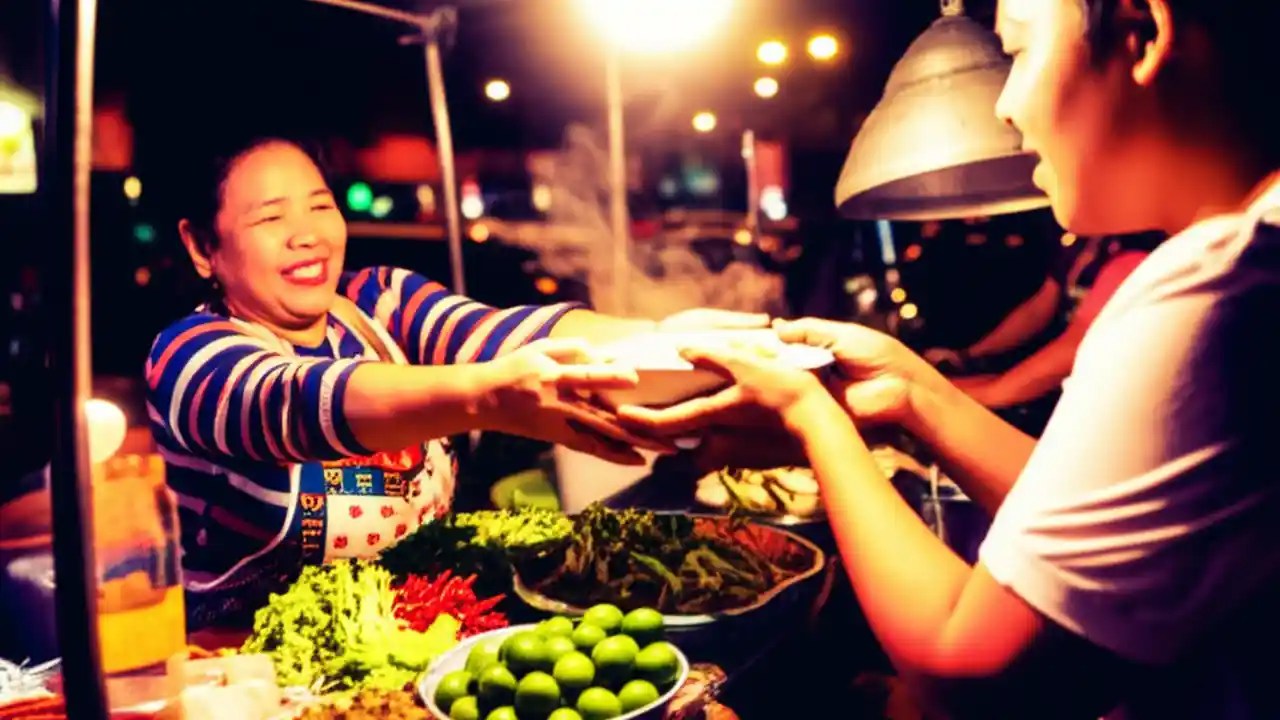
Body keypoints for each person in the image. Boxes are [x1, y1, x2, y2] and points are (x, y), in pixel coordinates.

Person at [621, 0, 1280, 716]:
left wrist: (810, 413)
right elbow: (1100, 524)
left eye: (1020, 53)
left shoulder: (1224, 279)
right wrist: (913, 396)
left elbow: (967, 674)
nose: (1002, 106)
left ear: (1142, 33)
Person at [146, 136, 765, 628]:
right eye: (270, 217)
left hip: (424, 640)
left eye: (320, 204)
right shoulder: (188, 358)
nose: (307, 233)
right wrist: (487, 398)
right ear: (203, 247)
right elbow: (298, 401)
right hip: (245, 673)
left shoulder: (377, 301)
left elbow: (505, 336)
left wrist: (686, 341)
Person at [928, 230, 1165, 411]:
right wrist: (971, 354)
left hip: (1113, 402)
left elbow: (1077, 345)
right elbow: (1038, 310)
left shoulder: (1137, 251)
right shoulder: (1086, 242)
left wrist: (988, 393)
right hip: (1073, 392)